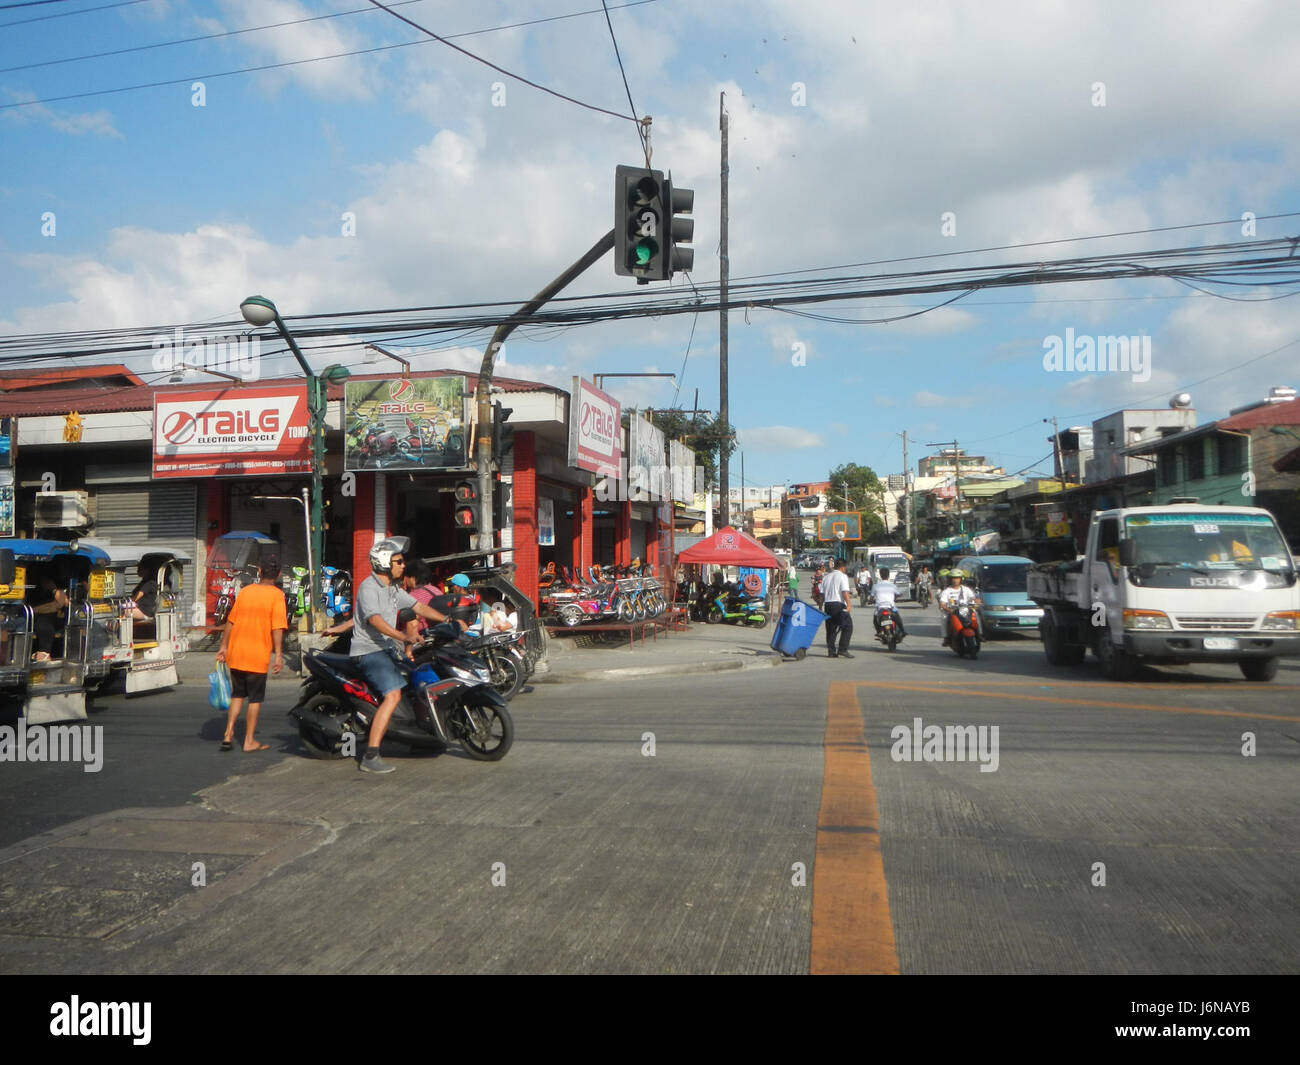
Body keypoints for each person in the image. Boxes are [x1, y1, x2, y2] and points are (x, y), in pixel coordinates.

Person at [350, 538, 465, 775]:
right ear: (384, 562)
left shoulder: (392, 589)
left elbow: (418, 607)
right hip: (369, 650)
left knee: (418, 681)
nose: (403, 566)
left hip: (387, 649)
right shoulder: (368, 588)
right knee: (393, 695)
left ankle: (416, 739)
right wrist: (402, 637)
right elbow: (375, 620)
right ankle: (371, 755)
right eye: (399, 561)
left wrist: (447, 621)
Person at [215, 561, 288, 752]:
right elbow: (277, 627)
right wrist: (278, 655)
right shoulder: (277, 595)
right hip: (257, 655)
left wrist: (224, 646)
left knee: (237, 695)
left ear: (260, 571)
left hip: (236, 651)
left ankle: (228, 734)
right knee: (254, 699)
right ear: (278, 574)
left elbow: (230, 621)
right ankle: (248, 741)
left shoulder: (246, 591)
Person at [29, 574, 69, 663]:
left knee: (44, 622)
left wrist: (54, 589)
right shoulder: (33, 591)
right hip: (31, 618)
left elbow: (61, 603)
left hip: (54, 619)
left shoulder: (58, 590)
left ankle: (44, 653)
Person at [820, 558, 854, 659]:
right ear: (843, 567)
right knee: (848, 626)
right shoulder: (843, 576)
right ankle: (843, 649)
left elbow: (822, 594)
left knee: (831, 629)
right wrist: (848, 605)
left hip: (828, 605)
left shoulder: (826, 577)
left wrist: (820, 606)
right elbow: (844, 592)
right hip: (838, 605)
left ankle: (831, 652)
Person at [938, 568, 978, 647]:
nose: (955, 580)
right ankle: (946, 637)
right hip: (952, 612)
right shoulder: (947, 591)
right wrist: (948, 609)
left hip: (965, 610)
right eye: (953, 578)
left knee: (976, 615)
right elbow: (942, 603)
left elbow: (973, 598)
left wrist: (976, 601)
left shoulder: (966, 589)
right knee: (944, 617)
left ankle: (979, 634)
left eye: (957, 578)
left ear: (961, 579)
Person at [871, 566, 907, 642]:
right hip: (891, 608)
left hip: (880, 608)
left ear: (880, 575)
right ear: (888, 575)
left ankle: (879, 632)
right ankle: (903, 631)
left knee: (875, 620)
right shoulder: (892, 586)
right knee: (898, 619)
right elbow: (897, 594)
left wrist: (870, 601)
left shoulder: (875, 586)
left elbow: (871, 597)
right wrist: (897, 597)